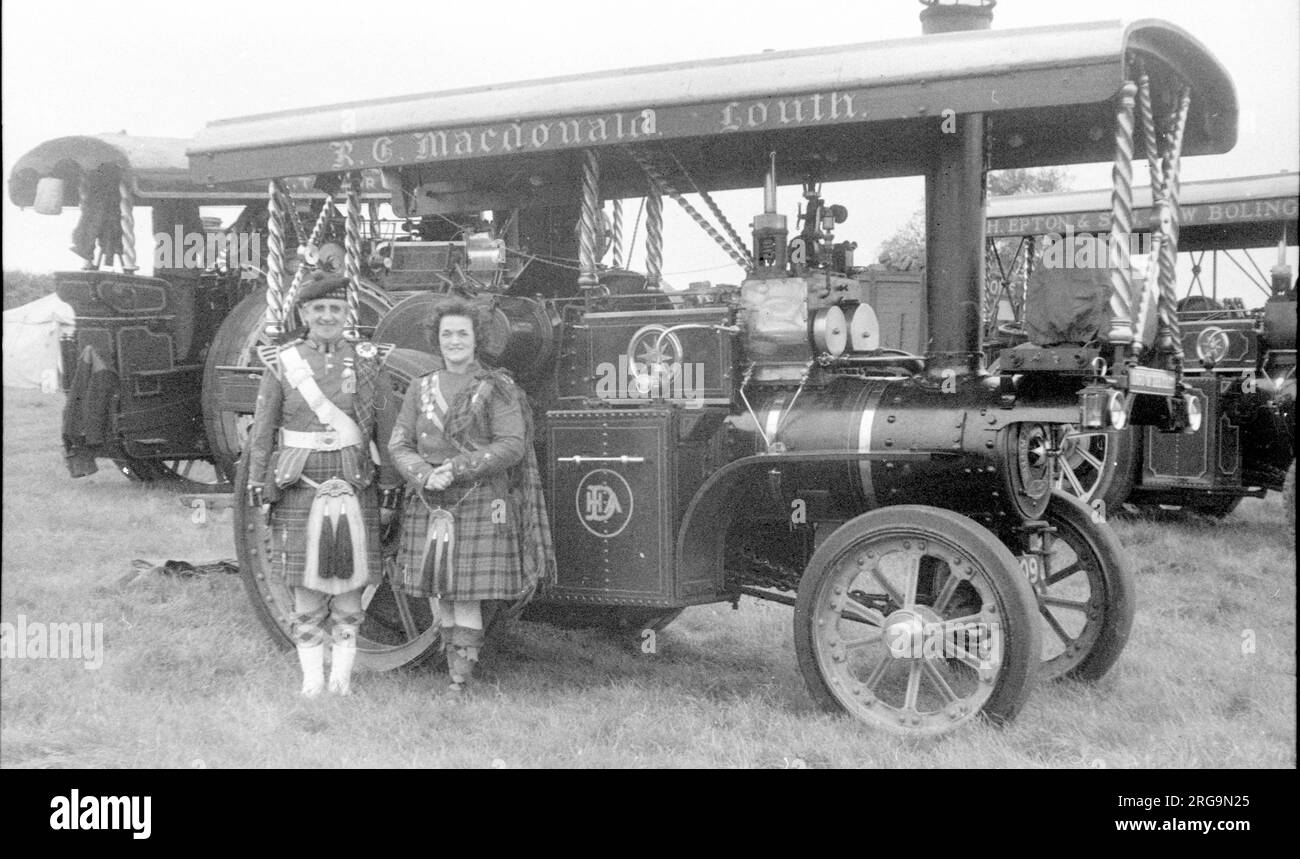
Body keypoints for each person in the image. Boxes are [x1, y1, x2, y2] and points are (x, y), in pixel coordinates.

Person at [244, 272, 400, 697]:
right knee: (306, 591)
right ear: (303, 314)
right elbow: (263, 431)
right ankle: (312, 683)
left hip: (355, 483)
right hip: (299, 485)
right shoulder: (283, 362)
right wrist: (259, 481)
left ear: (347, 312)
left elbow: (386, 431)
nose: (327, 316)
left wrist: (389, 486)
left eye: (335, 308)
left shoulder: (368, 361)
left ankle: (341, 682)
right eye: (319, 309)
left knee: (350, 593)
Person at [388, 298, 553, 692]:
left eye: (463, 333)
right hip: (431, 500)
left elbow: (512, 444)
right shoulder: (420, 387)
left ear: (477, 338)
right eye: (447, 334)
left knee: (464, 597)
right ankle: (453, 672)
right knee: (441, 595)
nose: (455, 341)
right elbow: (399, 444)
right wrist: (424, 475)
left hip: (478, 498)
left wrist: (457, 468)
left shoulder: (497, 387)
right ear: (437, 340)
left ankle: (460, 681)